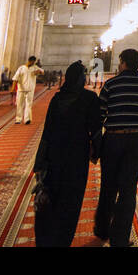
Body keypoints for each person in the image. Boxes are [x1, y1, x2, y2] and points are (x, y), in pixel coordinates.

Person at [94, 48, 138, 247]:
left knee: (108, 185)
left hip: (113, 140)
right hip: (136, 140)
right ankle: (120, 239)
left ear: (123, 63)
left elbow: (99, 116)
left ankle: (102, 229)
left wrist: (95, 145)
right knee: (127, 188)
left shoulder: (111, 85)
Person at [34, 61, 104, 246]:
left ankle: (47, 238)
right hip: (76, 156)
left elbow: (47, 132)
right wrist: (96, 152)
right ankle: (63, 239)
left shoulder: (57, 99)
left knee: (53, 195)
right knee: (71, 199)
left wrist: (40, 160)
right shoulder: (89, 98)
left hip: (54, 155)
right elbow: (96, 129)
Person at [12, 55, 40, 125]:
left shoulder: (35, 68)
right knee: (19, 104)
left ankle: (27, 119)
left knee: (28, 104)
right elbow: (15, 79)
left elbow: (42, 71)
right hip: (21, 89)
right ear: (30, 61)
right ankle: (18, 119)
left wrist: (38, 72)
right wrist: (12, 88)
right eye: (32, 62)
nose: (33, 64)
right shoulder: (21, 68)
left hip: (30, 89)